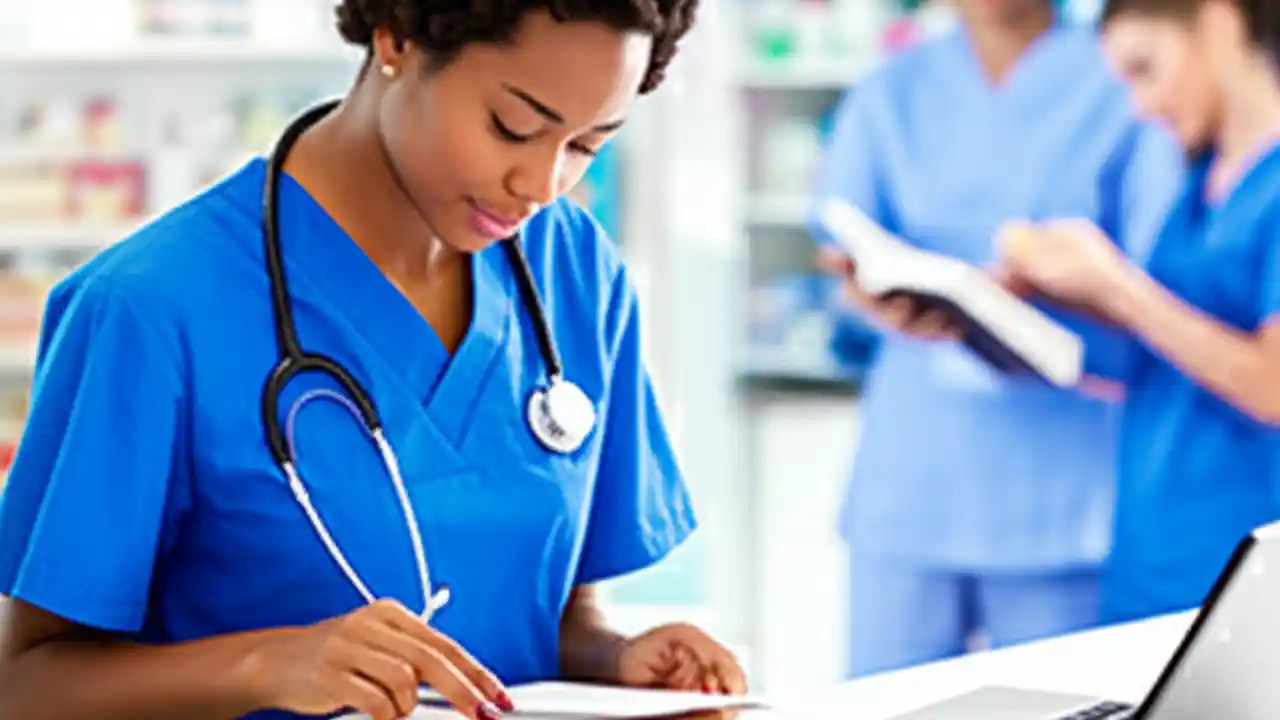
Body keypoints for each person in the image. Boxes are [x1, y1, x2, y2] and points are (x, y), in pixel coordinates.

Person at [0, 2, 747, 719]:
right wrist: (271, 665)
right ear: (396, 38)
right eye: (512, 126)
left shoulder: (576, 277)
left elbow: (553, 617)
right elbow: (25, 686)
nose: (542, 185)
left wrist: (620, 659)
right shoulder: (150, 308)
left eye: (587, 144)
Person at [808, 0, 1183, 677]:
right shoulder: (894, 87)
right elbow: (842, 239)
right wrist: (876, 296)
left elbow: (1158, 274)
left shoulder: (1124, 81)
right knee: (882, 700)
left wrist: (1049, 289)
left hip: (1063, 472)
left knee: (1062, 695)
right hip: (913, 470)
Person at [996, 0, 1280, 626]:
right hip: (1152, 568)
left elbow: (1271, 385)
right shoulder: (1199, 182)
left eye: (1145, 69)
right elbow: (1166, 359)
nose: (1140, 108)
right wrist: (1041, 306)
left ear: (1220, 24)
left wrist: (1117, 285)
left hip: (1245, 587)